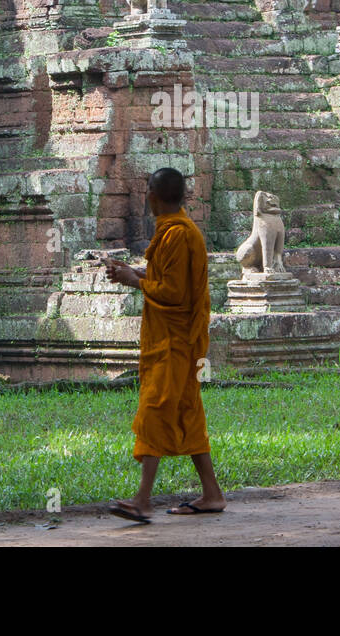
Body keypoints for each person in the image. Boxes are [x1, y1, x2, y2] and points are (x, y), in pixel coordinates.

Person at [104, 167, 226, 522]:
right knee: (187, 413)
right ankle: (212, 494)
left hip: (174, 341)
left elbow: (173, 294)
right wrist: (136, 272)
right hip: (177, 339)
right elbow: (170, 280)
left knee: (155, 410)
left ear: (152, 197)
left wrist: (134, 282)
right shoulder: (179, 232)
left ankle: (142, 500)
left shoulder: (178, 235)